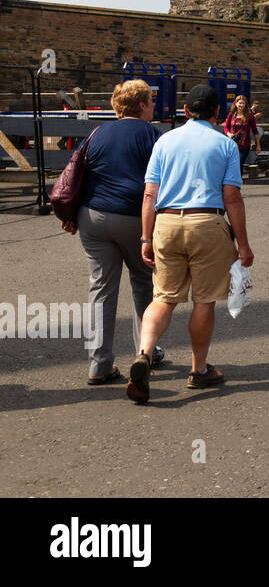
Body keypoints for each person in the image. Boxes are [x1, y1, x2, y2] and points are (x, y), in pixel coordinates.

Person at [130, 84, 254, 403]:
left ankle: (144, 353)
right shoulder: (224, 145)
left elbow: (149, 195)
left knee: (163, 297)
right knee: (203, 301)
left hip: (167, 222)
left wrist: (146, 237)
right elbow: (232, 197)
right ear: (217, 113)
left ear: (185, 111)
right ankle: (198, 370)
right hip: (207, 223)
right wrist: (243, 244)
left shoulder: (164, 141)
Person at [63, 79, 165, 385]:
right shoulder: (152, 135)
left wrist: (70, 214)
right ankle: (146, 350)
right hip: (133, 216)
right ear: (143, 105)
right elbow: (162, 183)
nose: (154, 106)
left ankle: (99, 364)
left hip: (93, 216)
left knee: (101, 289)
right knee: (143, 281)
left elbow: (77, 172)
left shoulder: (97, 133)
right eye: (151, 101)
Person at [222, 94, 259, 169]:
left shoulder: (250, 115)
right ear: (235, 103)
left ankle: (238, 180)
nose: (242, 105)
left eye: (243, 103)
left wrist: (258, 145)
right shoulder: (232, 114)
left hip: (244, 145)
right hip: (232, 145)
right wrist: (229, 134)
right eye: (240, 103)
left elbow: (255, 131)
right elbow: (226, 128)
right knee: (233, 165)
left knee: (238, 163)